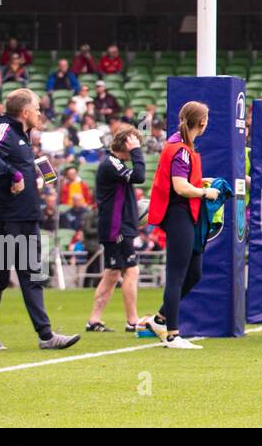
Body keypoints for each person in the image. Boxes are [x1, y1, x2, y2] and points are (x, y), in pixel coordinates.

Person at [0, 89, 80, 350]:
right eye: (37, 108)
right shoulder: (2, 128)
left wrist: (34, 174)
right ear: (24, 112)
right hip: (4, 218)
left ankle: (46, 335)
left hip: (25, 217)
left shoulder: (22, 137)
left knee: (33, 275)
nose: (40, 113)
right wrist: (14, 174)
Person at [141, 101, 223, 349]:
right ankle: (172, 335)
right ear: (202, 122)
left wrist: (201, 181)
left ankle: (160, 319)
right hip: (179, 213)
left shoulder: (181, 145)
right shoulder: (182, 149)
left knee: (194, 273)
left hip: (187, 213)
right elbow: (180, 187)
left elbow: (183, 180)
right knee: (176, 275)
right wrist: (204, 193)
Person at [84, 127, 146, 333]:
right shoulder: (111, 163)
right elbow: (139, 176)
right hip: (116, 226)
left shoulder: (115, 163)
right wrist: (136, 152)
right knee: (132, 269)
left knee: (112, 273)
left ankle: (94, 320)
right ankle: (132, 320)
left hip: (118, 225)